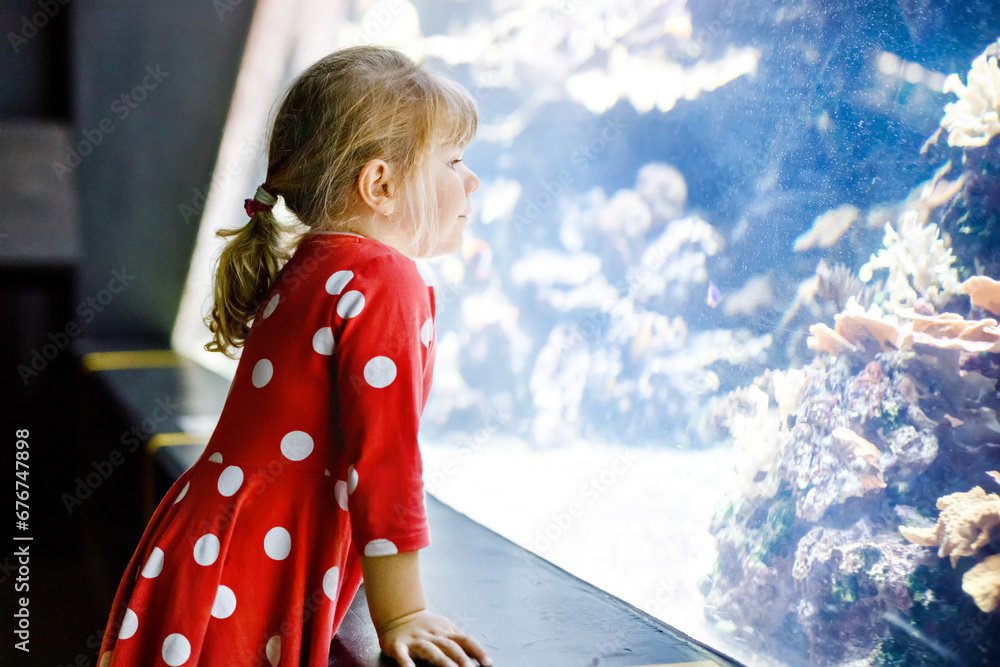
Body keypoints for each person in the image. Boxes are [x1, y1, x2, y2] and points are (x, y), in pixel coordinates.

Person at [98, 45, 491, 667]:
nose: (472, 181)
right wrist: (405, 613)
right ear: (380, 184)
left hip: (212, 547)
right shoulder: (386, 279)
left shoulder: (316, 262)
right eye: (455, 159)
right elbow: (384, 462)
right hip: (254, 570)